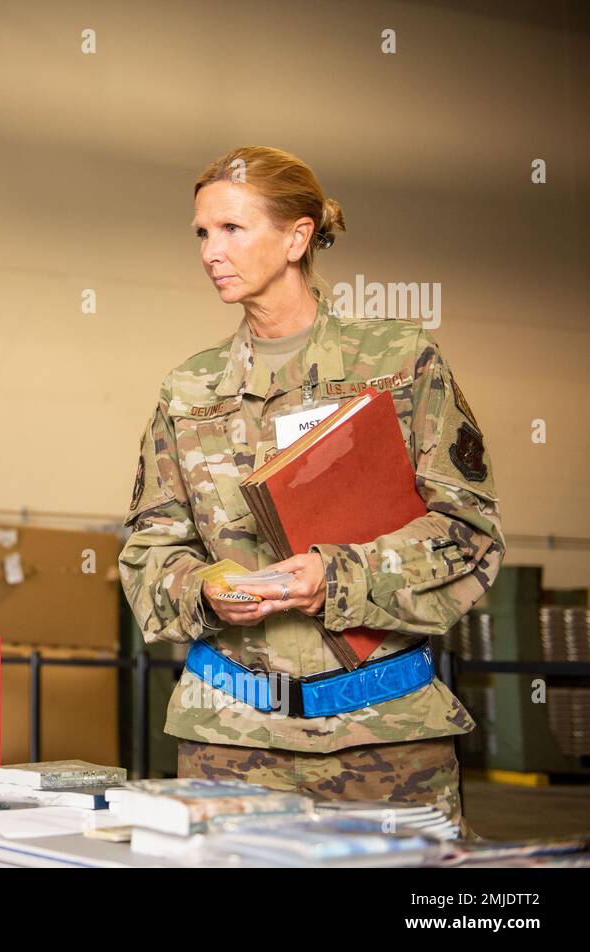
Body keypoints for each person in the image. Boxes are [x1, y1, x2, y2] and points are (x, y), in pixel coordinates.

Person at [119, 146, 503, 831]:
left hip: (386, 740)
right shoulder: (187, 391)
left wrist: (339, 576)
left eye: (233, 229)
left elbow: (468, 531)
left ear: (297, 236)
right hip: (229, 743)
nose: (211, 250)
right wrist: (201, 588)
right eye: (203, 232)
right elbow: (148, 550)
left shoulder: (397, 365)